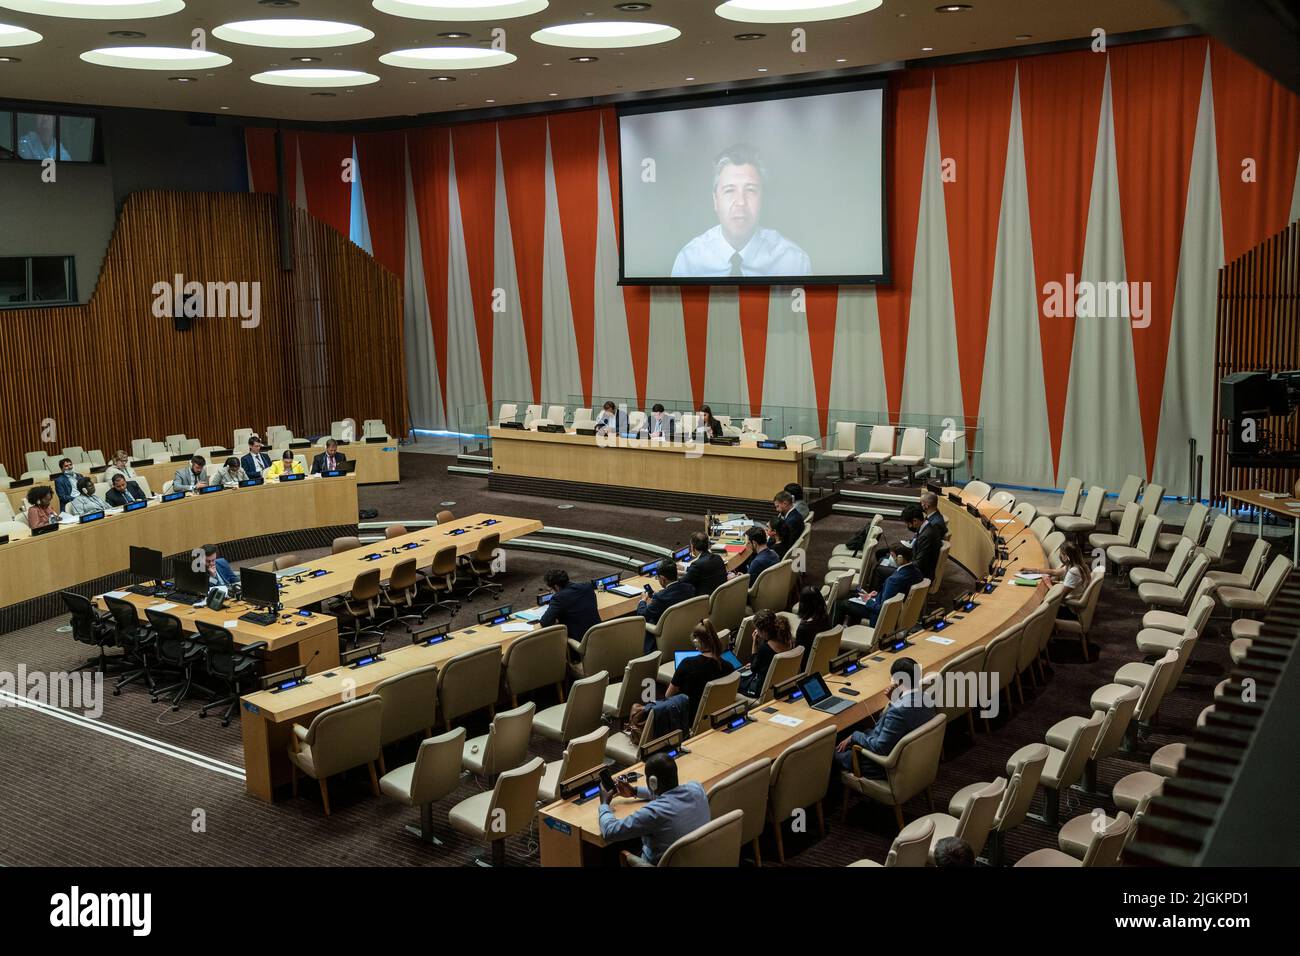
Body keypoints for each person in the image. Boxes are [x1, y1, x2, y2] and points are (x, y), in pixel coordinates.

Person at [671, 143, 811, 278]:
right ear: (715, 201)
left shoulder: (794, 262)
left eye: (750, 190)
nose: (741, 202)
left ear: (762, 199)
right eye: (729, 190)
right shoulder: (688, 261)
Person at [598, 751, 711, 867]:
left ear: (652, 782)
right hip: (697, 859)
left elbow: (609, 832)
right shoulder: (697, 788)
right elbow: (670, 793)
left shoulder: (653, 813)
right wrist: (635, 791)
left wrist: (604, 804)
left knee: (610, 852)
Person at [835, 657, 936, 775]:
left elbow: (880, 748)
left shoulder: (898, 711)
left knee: (831, 752)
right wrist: (895, 700)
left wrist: (854, 736)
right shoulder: (927, 697)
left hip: (885, 765)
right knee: (862, 731)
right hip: (915, 758)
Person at [654, 620, 735, 731]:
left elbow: (668, 695)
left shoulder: (687, 664)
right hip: (718, 719)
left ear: (697, 642)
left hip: (689, 720)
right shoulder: (728, 667)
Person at [841, 542, 922, 627]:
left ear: (900, 558)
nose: (890, 558)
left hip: (881, 617)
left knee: (841, 604)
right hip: (898, 612)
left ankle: (834, 633)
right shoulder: (917, 572)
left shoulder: (894, 580)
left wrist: (868, 600)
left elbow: (882, 609)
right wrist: (877, 595)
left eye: (892, 555)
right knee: (854, 596)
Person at [636, 559, 696, 653]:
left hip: (666, 634)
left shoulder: (660, 598)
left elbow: (642, 615)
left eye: (658, 578)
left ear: (663, 579)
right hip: (686, 629)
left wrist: (643, 601)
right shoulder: (690, 588)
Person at [1022, 540, 1090, 620]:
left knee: (1033, 608)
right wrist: (1032, 570)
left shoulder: (1074, 572)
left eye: (1061, 554)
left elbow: (1058, 597)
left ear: (1066, 557)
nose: (1060, 556)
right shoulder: (1079, 565)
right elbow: (1054, 572)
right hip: (1069, 603)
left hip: (1068, 610)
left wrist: (1048, 584)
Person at [741, 609, 794, 698]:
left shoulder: (765, 649)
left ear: (764, 631)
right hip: (784, 684)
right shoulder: (788, 641)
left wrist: (755, 643)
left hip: (762, 690)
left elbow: (754, 668)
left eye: (757, 629)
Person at [539, 569, 601, 644]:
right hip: (599, 636)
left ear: (556, 587)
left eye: (550, 589)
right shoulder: (587, 587)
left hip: (581, 643)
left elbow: (545, 622)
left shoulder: (558, 598)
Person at [912, 491, 948, 582]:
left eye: (921, 503)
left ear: (926, 506)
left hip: (925, 565)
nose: (920, 505)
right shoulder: (933, 516)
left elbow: (929, 547)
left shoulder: (935, 524)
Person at [794, 586, 831, 668]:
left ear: (803, 604)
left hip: (806, 666)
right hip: (824, 660)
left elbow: (797, 654)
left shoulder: (803, 629)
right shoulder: (826, 618)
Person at [681, 531, 726, 597]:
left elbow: (683, 583)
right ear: (708, 545)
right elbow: (705, 571)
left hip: (703, 602)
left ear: (693, 547)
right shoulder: (718, 558)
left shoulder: (697, 564)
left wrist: (674, 575)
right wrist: (685, 569)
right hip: (720, 599)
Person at [768, 490, 805, 558]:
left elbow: (784, 542)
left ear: (785, 504)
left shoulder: (792, 521)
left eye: (777, 506)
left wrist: (769, 537)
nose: (777, 509)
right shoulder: (793, 515)